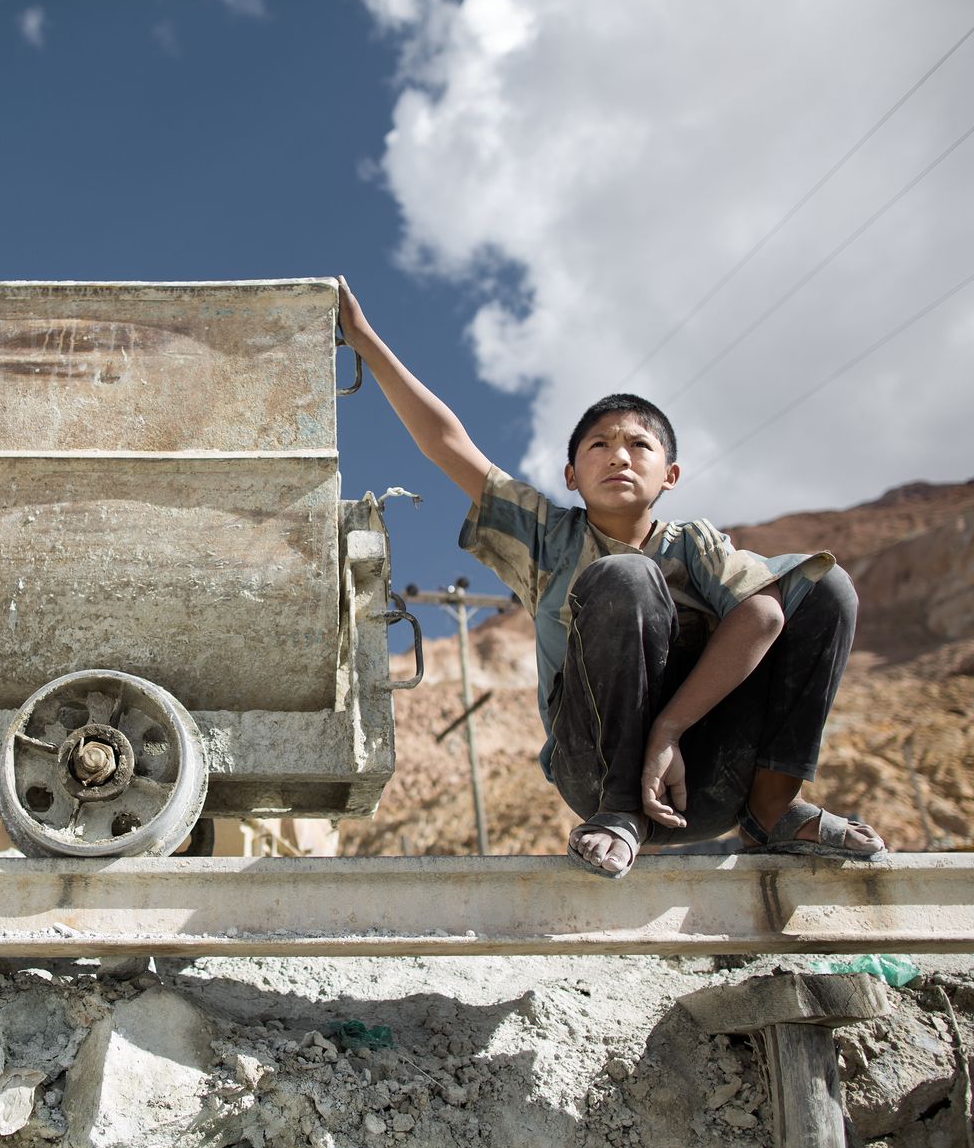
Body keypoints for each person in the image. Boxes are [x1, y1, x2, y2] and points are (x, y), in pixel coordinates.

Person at [336, 276, 886, 877]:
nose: (619, 456)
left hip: (706, 775)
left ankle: (772, 811)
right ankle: (619, 811)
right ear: (571, 474)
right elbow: (446, 443)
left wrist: (670, 731)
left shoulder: (695, 544)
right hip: (596, 772)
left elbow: (766, 613)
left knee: (824, 586)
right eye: (598, 445)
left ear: (670, 475)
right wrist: (363, 339)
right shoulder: (547, 538)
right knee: (624, 576)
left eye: (639, 446)